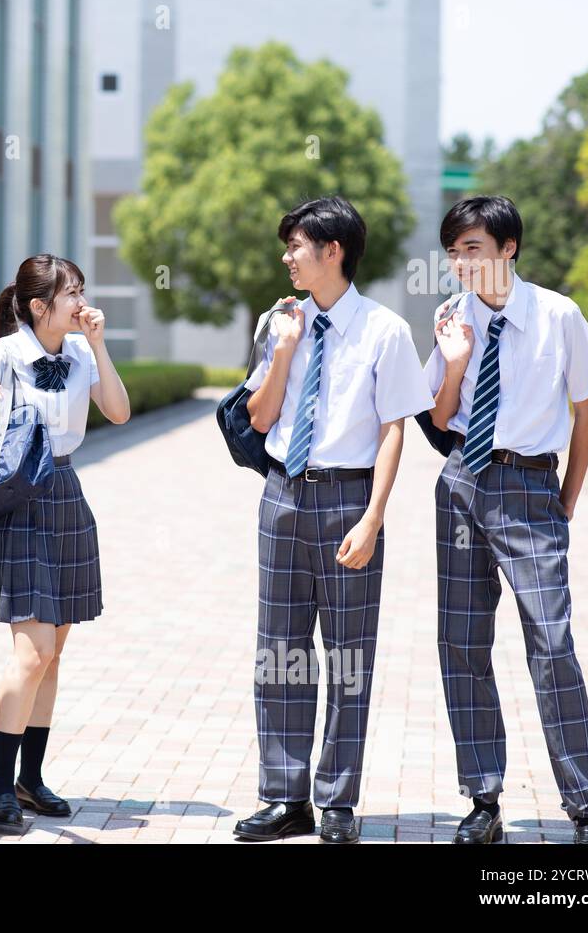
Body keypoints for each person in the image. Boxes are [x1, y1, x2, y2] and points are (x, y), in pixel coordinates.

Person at [233, 197, 432, 844]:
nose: (287, 257)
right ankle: (285, 797)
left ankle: (338, 801)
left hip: (349, 500)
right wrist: (284, 351)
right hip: (282, 496)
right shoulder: (278, 321)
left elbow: (395, 429)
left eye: (296, 245)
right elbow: (260, 418)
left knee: (347, 655)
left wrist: (374, 516)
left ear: (333, 251)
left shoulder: (385, 330)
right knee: (279, 651)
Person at [425, 195, 588, 844]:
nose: (460, 263)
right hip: (460, 484)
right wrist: (453, 362)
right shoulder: (451, 315)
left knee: (551, 643)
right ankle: (483, 801)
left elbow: (587, 411)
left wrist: (566, 499)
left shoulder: (558, 315)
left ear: (508, 249)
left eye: (471, 248)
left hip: (530, 485)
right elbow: (441, 416)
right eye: (452, 252)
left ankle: (587, 806)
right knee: (462, 643)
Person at [0, 253, 130, 830]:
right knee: (32, 651)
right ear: (39, 306)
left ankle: (30, 780)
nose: (82, 302)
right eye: (71, 293)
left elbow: (119, 413)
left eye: (81, 290)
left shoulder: (78, 352)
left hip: (65, 492)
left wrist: (99, 345)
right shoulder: (0, 356)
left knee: (54, 652)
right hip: (16, 499)